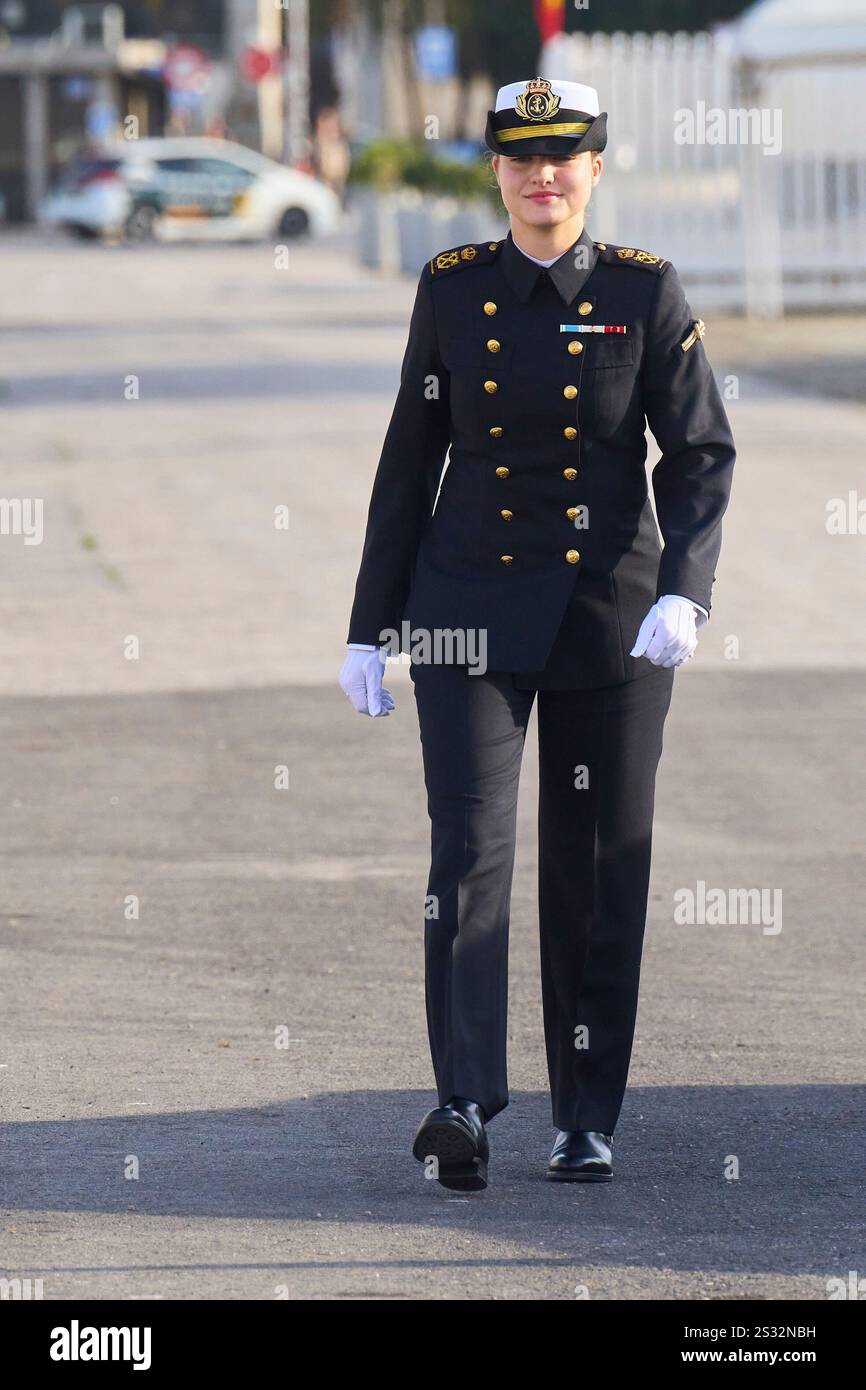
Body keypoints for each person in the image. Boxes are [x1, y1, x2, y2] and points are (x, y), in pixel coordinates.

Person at [339, 76, 735, 1189]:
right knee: (466, 855)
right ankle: (462, 1100)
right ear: (497, 172)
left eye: (561, 157)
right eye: (519, 158)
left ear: (594, 168)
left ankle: (584, 1113)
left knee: (596, 869)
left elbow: (699, 451)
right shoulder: (452, 290)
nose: (540, 175)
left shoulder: (643, 295)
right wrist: (370, 627)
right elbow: (408, 463)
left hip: (613, 619)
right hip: (466, 612)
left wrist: (685, 591)